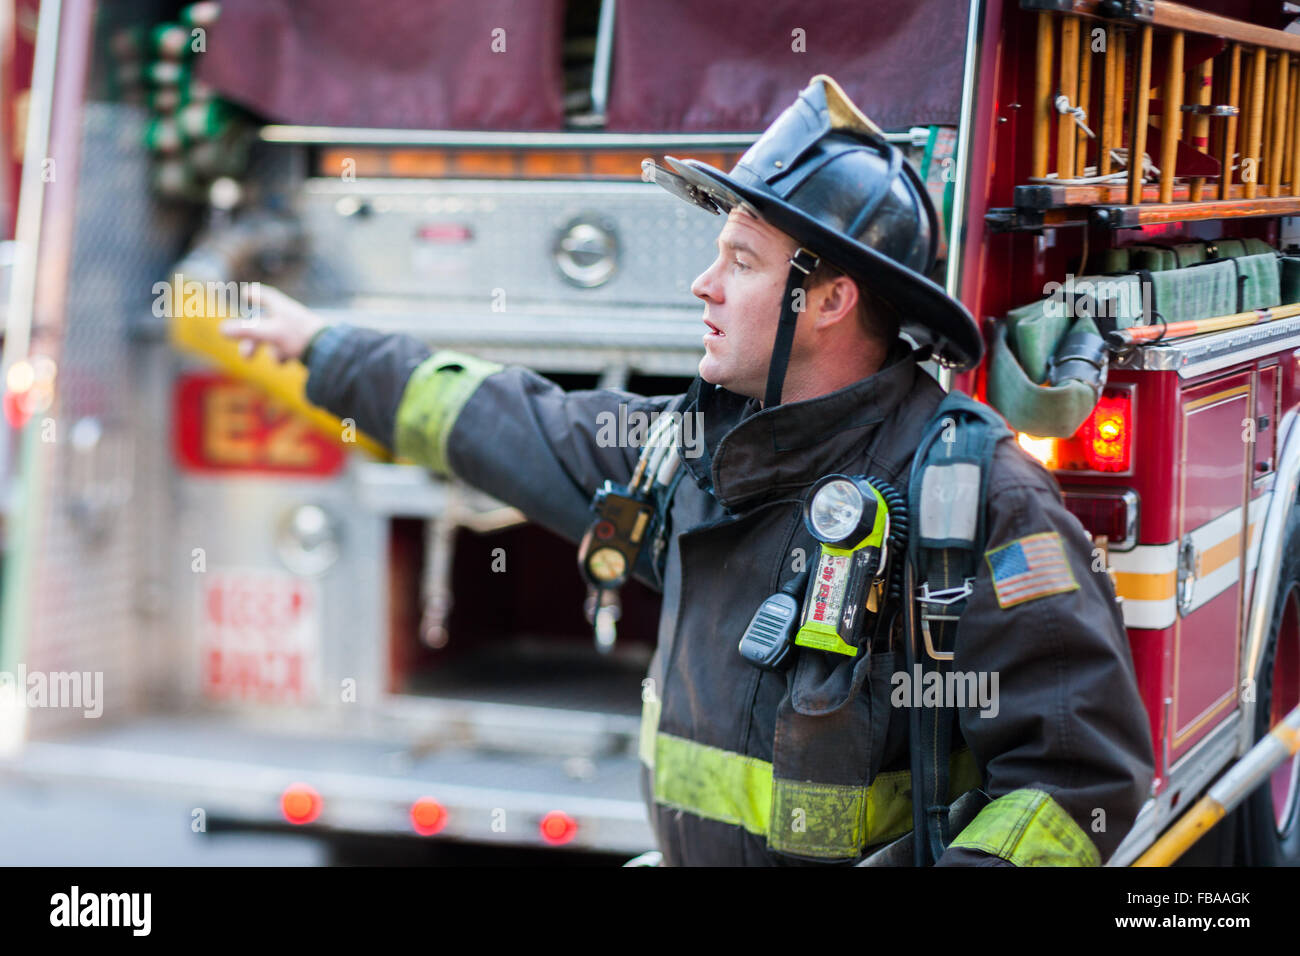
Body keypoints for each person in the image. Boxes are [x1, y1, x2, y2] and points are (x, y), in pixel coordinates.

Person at [221, 76, 1155, 866]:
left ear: (829, 300)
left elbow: (1084, 782)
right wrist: (324, 347)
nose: (702, 285)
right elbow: (511, 423)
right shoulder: (689, 454)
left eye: (740, 262)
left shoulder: (971, 495)